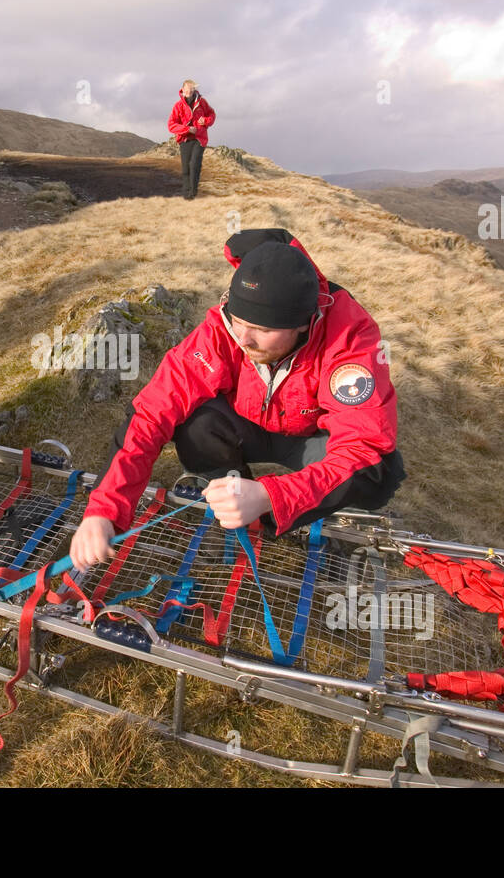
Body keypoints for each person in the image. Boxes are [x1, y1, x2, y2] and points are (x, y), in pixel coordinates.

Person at [70, 229, 406, 571]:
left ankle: (317, 523)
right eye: (238, 321)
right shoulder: (223, 328)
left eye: (262, 329)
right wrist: (103, 510)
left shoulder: (349, 339)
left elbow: (362, 447)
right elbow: (152, 413)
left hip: (314, 436)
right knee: (196, 424)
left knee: (377, 472)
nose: (244, 338)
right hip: (246, 424)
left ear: (303, 324)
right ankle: (234, 515)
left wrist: (270, 496)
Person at [167, 79, 215, 200]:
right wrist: (187, 129)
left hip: (200, 138)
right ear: (182, 90)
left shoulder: (202, 102)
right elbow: (171, 125)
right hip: (185, 139)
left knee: (194, 164)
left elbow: (212, 114)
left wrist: (206, 121)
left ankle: (193, 193)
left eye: (191, 90)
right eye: (187, 90)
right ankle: (186, 194)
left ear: (194, 90)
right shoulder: (178, 106)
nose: (189, 92)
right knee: (185, 169)